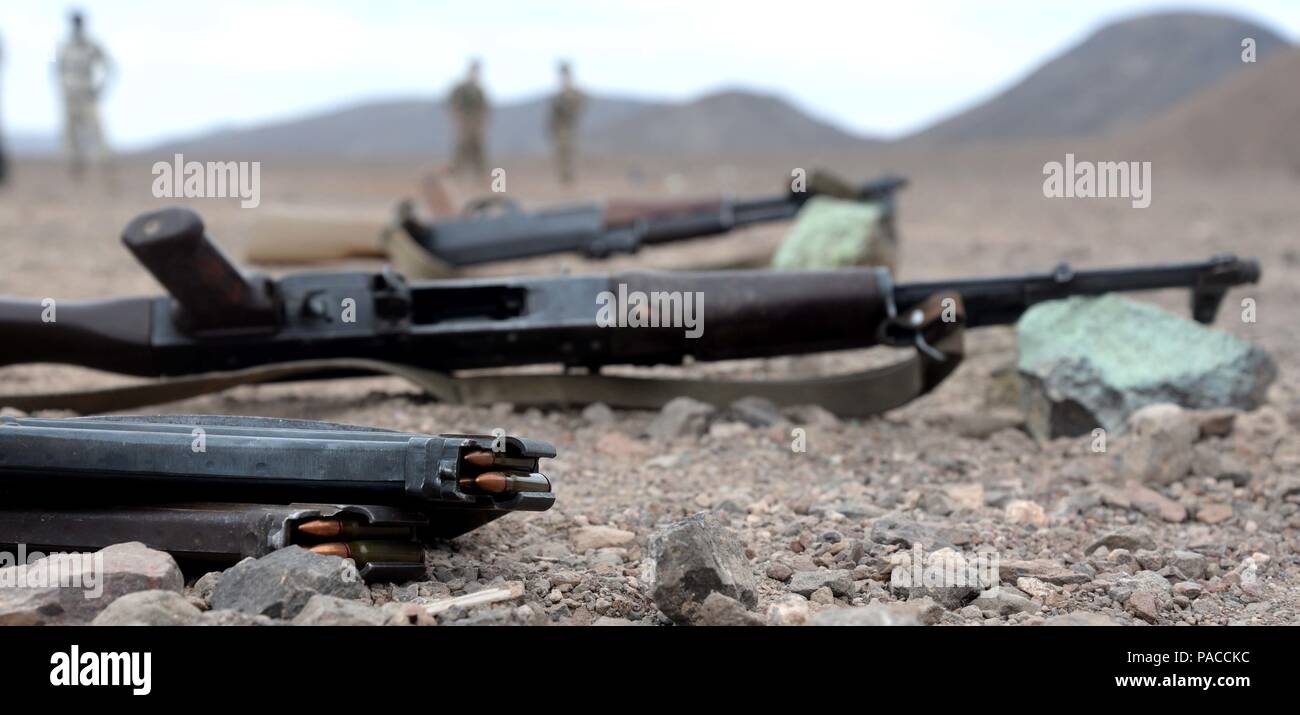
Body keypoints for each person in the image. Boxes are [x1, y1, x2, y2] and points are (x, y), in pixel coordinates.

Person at [55, 11, 113, 177]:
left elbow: (109, 65)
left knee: (96, 129)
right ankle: (75, 167)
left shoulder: (91, 45)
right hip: (69, 95)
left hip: (87, 94)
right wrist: (62, 87)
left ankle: (104, 164)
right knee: (70, 133)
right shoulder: (64, 46)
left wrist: (101, 87)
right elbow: (56, 67)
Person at [447, 59, 489, 178]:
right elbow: (453, 103)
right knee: (461, 147)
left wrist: (482, 120)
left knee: (478, 147)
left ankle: (480, 174)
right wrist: (457, 118)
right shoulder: (461, 88)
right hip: (464, 121)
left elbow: (484, 106)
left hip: (476, 122)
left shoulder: (479, 89)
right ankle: (457, 173)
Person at [547, 61, 585, 185]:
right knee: (562, 153)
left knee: (568, 152)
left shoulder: (571, 93)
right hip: (560, 128)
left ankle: (568, 179)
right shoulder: (561, 93)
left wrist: (567, 107)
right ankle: (565, 178)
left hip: (568, 127)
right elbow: (553, 114)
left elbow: (576, 108)